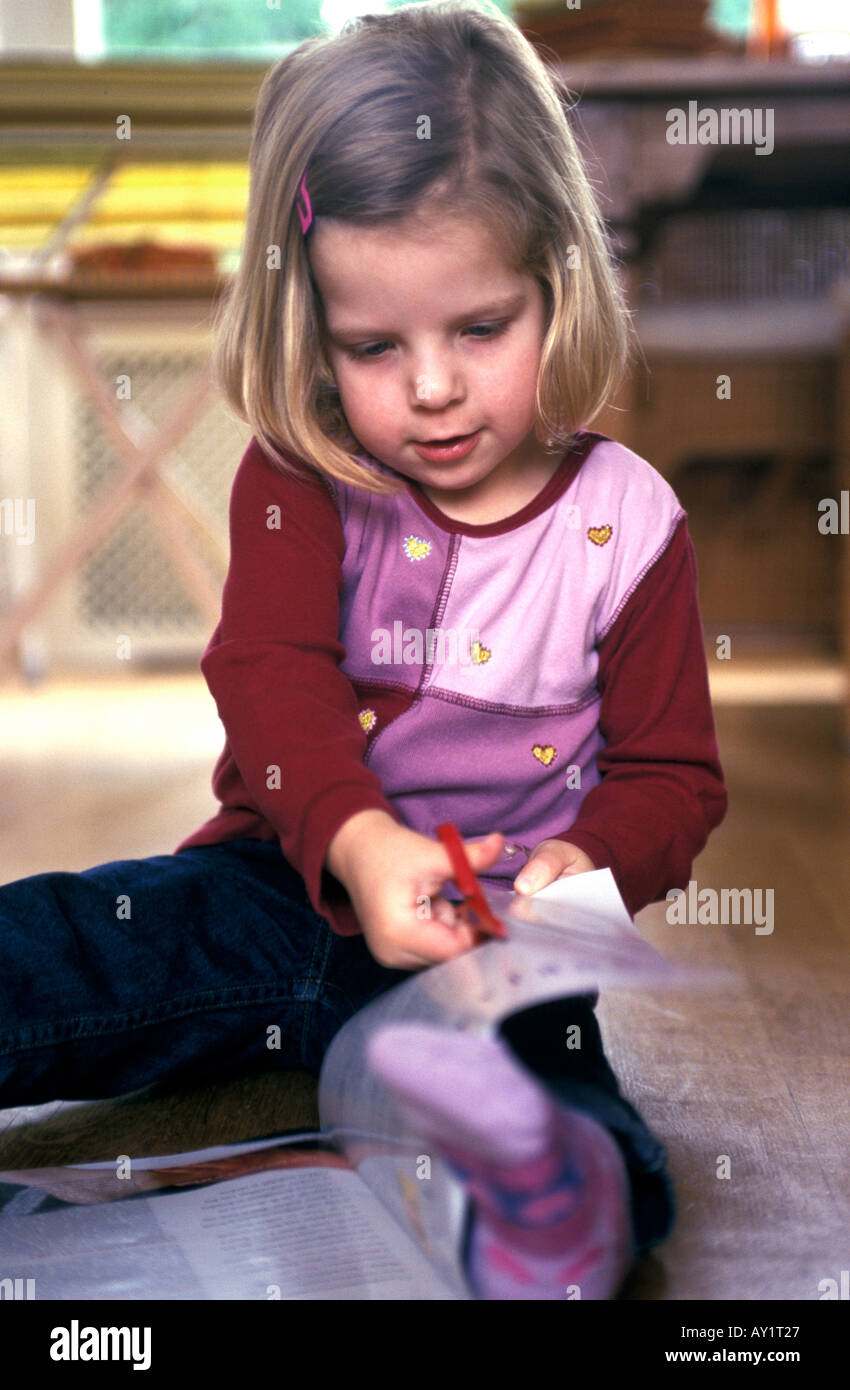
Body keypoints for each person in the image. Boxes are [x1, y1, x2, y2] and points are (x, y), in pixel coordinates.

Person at [0, 1, 726, 1299]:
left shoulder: (631, 520)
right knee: (76, 941)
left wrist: (585, 864)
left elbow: (675, 776)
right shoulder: (302, 480)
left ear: (558, 283)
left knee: (589, 1127)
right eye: (373, 346)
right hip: (281, 889)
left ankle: (520, 1195)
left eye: (479, 329)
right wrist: (356, 839)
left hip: (495, 950)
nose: (433, 388)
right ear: (311, 336)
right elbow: (273, 683)